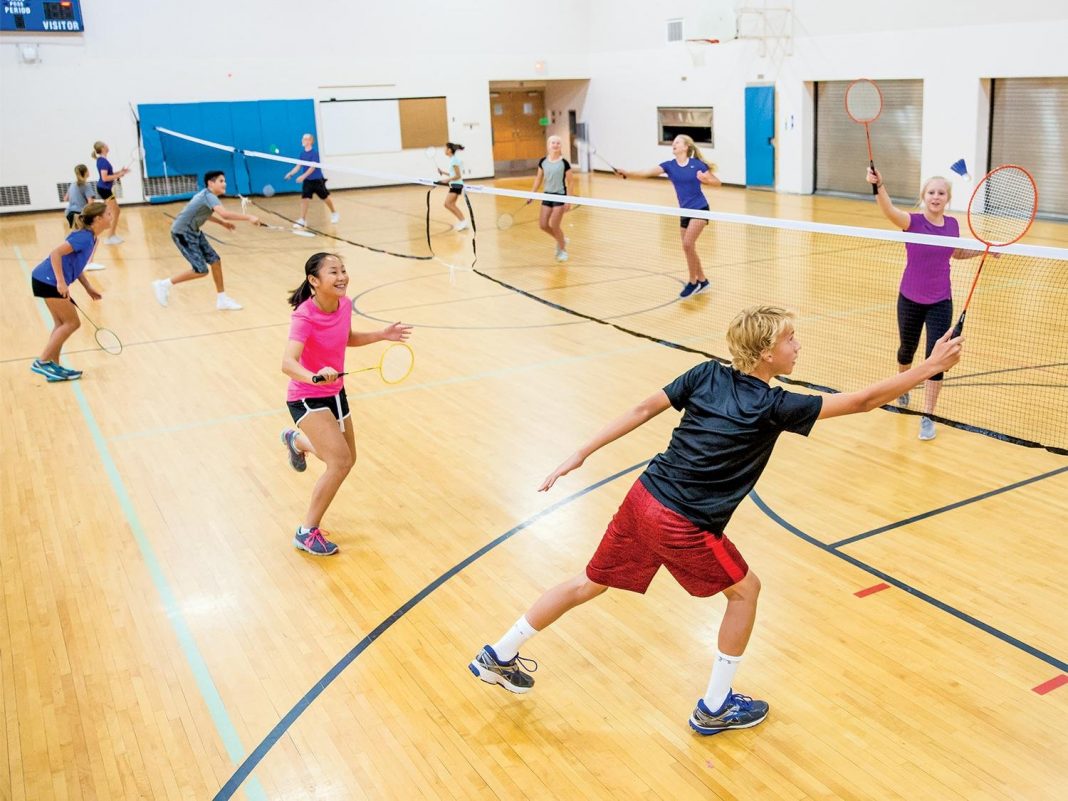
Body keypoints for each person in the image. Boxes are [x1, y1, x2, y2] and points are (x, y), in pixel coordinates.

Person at [469, 304, 962, 736]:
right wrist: (930, 367)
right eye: (790, 339)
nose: (797, 345)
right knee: (745, 592)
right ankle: (715, 707)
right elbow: (860, 402)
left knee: (588, 582)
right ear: (767, 353)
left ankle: (500, 653)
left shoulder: (704, 374)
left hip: (643, 497)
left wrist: (581, 452)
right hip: (682, 521)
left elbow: (643, 408)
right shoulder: (774, 405)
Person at [279, 252, 413, 556]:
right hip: (306, 396)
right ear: (314, 280)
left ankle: (297, 441)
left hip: (336, 392)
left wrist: (382, 335)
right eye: (333, 272)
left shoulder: (344, 304)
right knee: (338, 462)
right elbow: (287, 362)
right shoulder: (304, 315)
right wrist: (313, 377)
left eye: (343, 270)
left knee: (347, 459)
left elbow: (344, 337)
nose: (341, 277)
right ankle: (306, 531)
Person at [867, 167, 979, 441]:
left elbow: (956, 253)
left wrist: (983, 250)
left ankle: (928, 415)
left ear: (947, 198)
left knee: (936, 358)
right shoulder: (912, 222)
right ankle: (902, 385)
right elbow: (889, 210)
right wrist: (879, 186)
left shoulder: (952, 225)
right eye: (931, 192)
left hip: (941, 299)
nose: (936, 197)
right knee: (907, 350)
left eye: (941, 193)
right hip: (910, 298)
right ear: (924, 196)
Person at [618, 135, 720, 298]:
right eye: (673, 142)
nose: (674, 144)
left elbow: (717, 182)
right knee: (689, 247)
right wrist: (628, 173)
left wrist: (706, 180)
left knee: (687, 244)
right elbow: (646, 172)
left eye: (677, 142)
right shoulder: (669, 166)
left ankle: (693, 283)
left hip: (700, 209)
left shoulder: (697, 165)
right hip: (684, 211)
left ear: (686, 147)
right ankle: (703, 280)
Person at [152, 171, 259, 311]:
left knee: (215, 261)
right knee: (201, 270)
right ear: (210, 183)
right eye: (221, 181)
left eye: (224, 181)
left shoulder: (206, 196)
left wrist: (222, 224)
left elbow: (202, 213)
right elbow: (225, 214)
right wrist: (249, 217)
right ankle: (164, 284)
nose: (224, 183)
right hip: (183, 233)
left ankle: (222, 300)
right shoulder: (209, 196)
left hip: (194, 232)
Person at [28, 202, 111, 382]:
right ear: (98, 219)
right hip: (48, 280)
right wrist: (60, 281)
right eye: (108, 214)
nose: (111, 217)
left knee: (61, 324)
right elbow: (55, 253)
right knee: (72, 323)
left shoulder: (92, 238)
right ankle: (42, 362)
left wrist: (88, 287)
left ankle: (53, 366)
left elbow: (76, 264)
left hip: (45, 279)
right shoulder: (83, 237)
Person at [530, 135, 572, 262]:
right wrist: (532, 194)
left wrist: (568, 200)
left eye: (558, 143)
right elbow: (538, 179)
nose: (555, 145)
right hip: (546, 195)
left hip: (559, 196)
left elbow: (570, 182)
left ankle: (562, 249)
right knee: (543, 225)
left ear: (560, 146)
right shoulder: (543, 162)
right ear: (549, 145)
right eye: (553, 143)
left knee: (554, 224)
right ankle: (561, 239)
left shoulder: (564, 163)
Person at [283, 133, 339, 228]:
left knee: (325, 198)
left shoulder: (314, 153)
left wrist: (303, 176)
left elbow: (312, 167)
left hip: (317, 180)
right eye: (303, 139)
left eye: (305, 139)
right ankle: (302, 220)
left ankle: (334, 213)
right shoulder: (302, 154)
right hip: (308, 181)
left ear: (310, 141)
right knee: (305, 199)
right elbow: (298, 166)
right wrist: (291, 174)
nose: (303, 140)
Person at [92, 141, 128, 245]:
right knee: (115, 211)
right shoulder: (103, 161)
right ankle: (110, 237)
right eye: (105, 145)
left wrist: (120, 172)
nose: (108, 145)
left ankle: (112, 235)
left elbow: (109, 174)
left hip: (104, 189)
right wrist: (118, 175)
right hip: (104, 189)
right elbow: (105, 178)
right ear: (103, 148)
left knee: (115, 211)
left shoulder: (102, 160)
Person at [437, 142, 468, 231]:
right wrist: (443, 172)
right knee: (451, 204)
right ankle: (463, 221)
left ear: (449, 150)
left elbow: (458, 176)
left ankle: (463, 221)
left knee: (447, 204)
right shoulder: (452, 160)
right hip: (455, 184)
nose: (444, 150)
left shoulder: (454, 160)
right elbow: (452, 174)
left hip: (457, 185)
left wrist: (447, 180)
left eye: (445, 148)